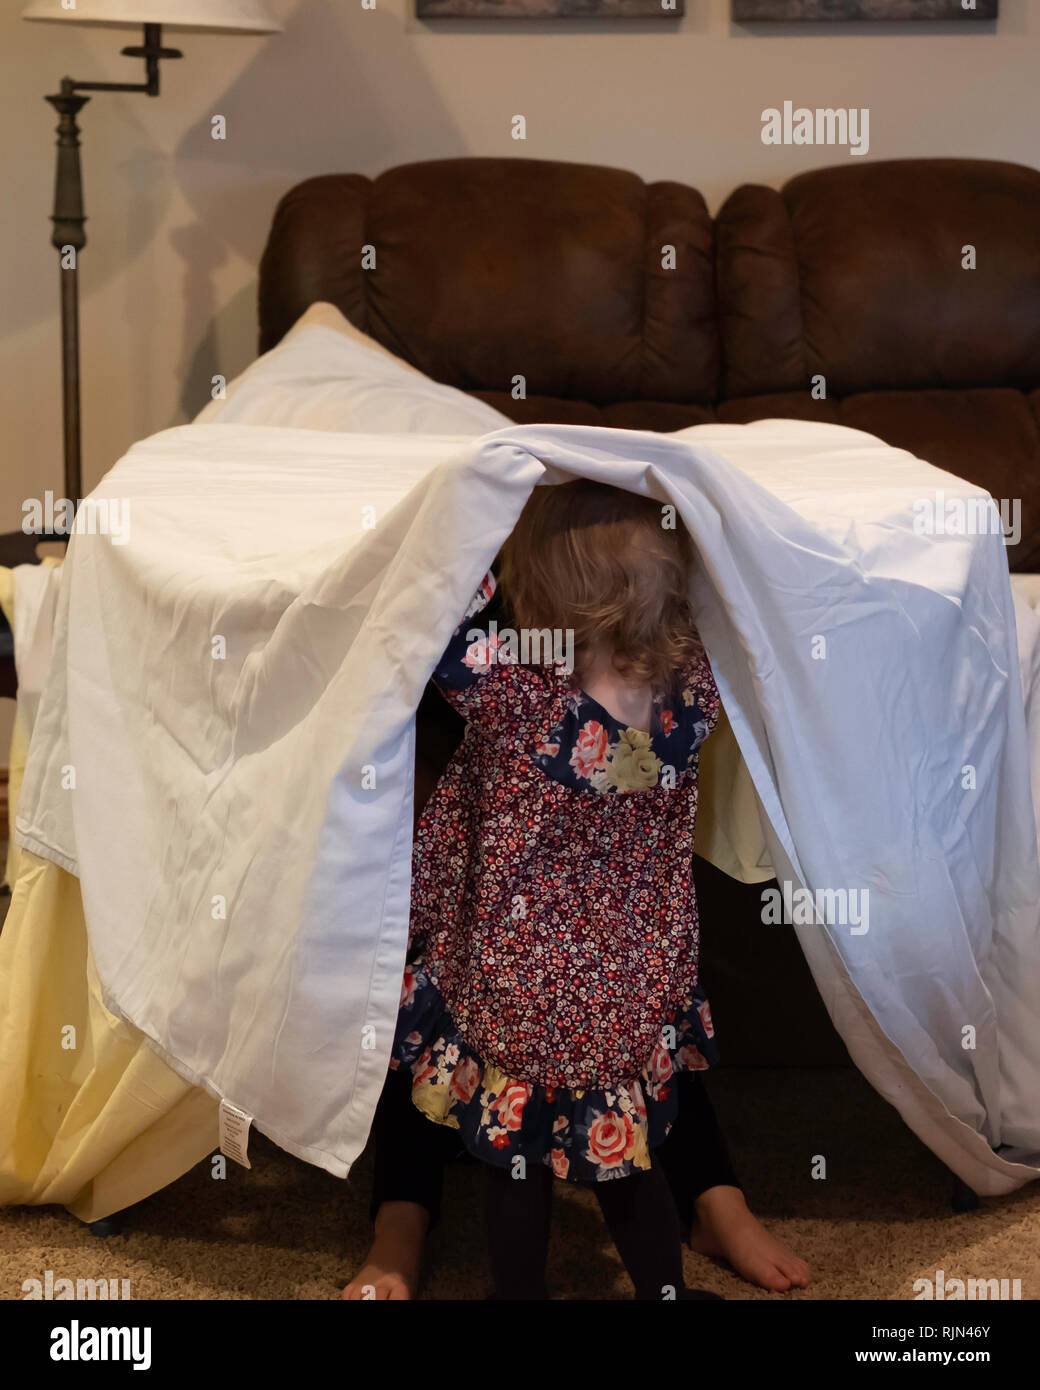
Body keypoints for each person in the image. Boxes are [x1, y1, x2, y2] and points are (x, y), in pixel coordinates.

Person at [345, 480, 810, 1300]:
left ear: (544, 599)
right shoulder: (690, 703)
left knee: (514, 1163)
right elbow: (742, 616)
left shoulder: (513, 697)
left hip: (520, 990)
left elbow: (432, 612)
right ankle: (661, 1290)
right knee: (625, 1159)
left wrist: (483, 523)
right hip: (632, 988)